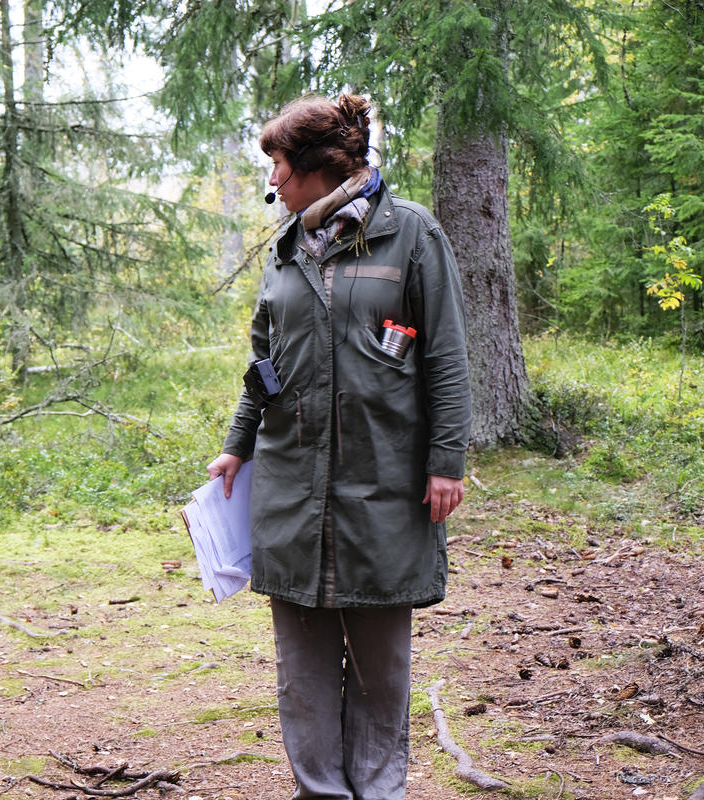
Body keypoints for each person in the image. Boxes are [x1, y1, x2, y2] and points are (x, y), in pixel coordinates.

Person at [206, 94, 472, 800]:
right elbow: (264, 365)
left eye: (279, 164)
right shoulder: (286, 250)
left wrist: (447, 461)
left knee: (382, 670)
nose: (272, 180)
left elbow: (446, 357)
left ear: (317, 164)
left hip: (384, 488)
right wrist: (236, 445)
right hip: (291, 490)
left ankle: (378, 793)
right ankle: (320, 793)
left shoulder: (410, 235)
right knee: (302, 672)